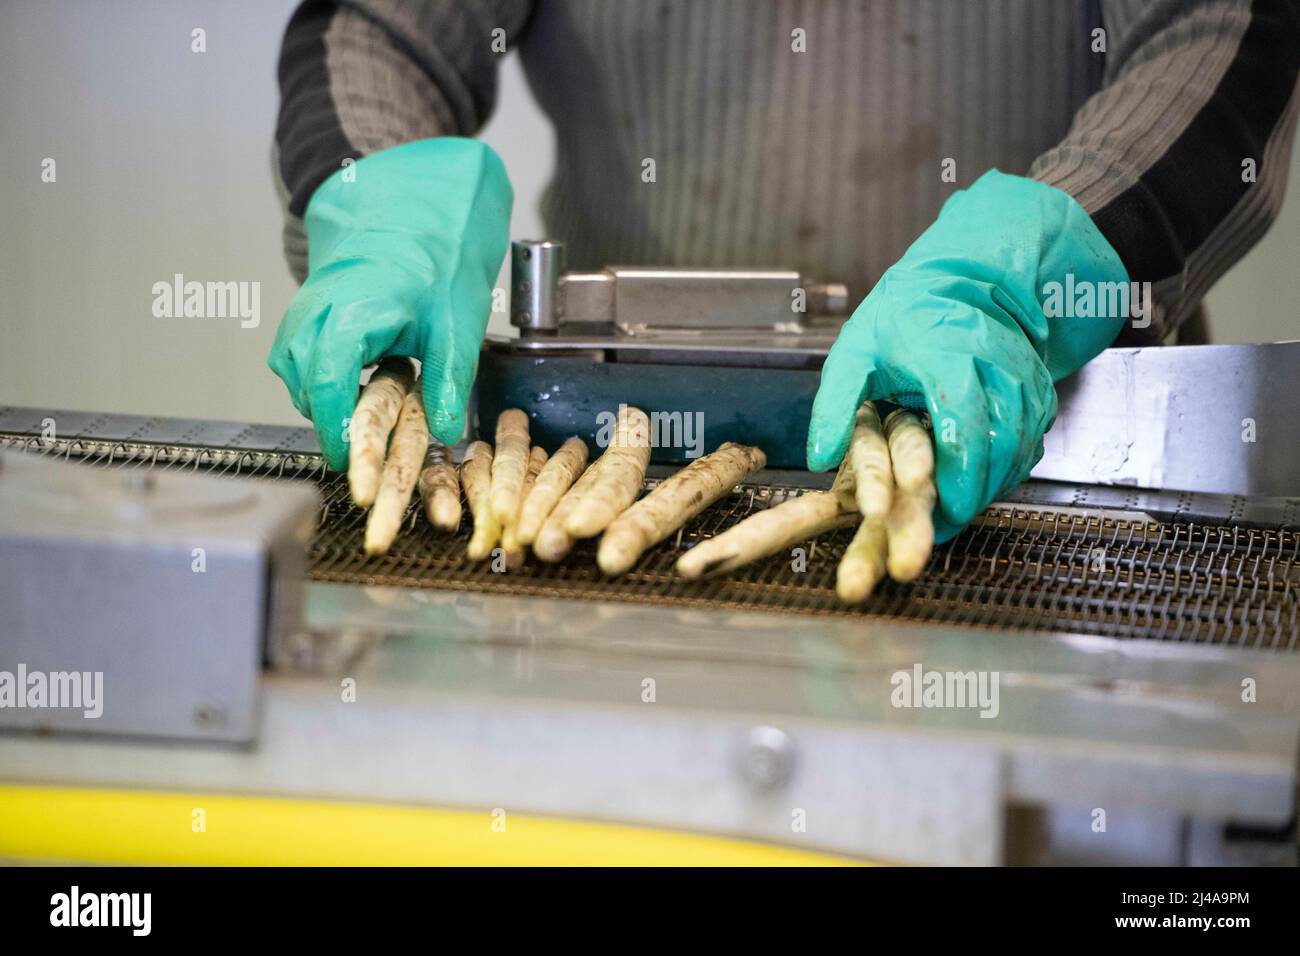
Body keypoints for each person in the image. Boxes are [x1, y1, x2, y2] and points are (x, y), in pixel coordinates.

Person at [269, 0, 1300, 540]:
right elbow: (378, 26)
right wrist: (381, 216)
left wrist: (1025, 281)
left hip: (1050, 440)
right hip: (588, 442)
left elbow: (1220, 31)